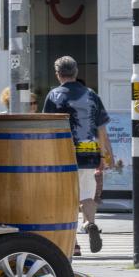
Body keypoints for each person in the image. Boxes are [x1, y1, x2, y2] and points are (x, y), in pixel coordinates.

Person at [43, 56, 110, 255]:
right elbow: (101, 128)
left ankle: (73, 244)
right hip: (89, 153)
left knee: (67, 199)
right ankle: (90, 223)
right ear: (76, 72)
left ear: (58, 74)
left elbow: (47, 128)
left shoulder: (54, 95)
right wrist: (104, 155)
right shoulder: (91, 94)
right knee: (87, 196)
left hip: (64, 154)